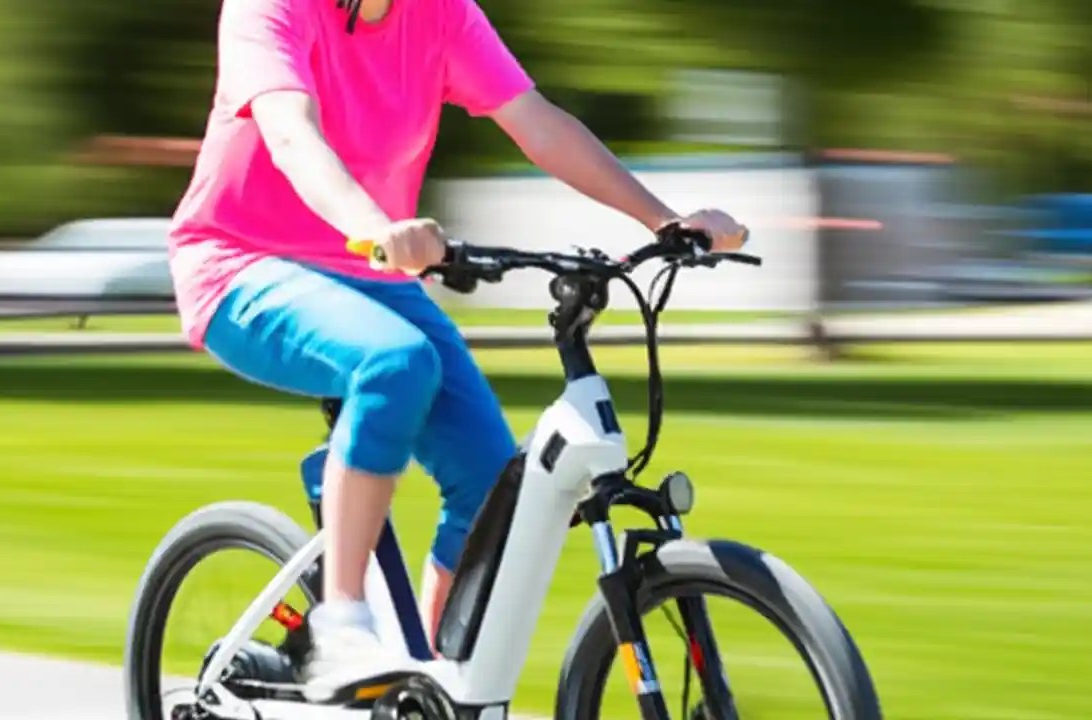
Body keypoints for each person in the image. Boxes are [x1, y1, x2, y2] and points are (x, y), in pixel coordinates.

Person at [168, 0, 749, 700]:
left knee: (492, 489)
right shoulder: (270, 8)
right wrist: (375, 227)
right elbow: (292, 133)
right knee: (395, 362)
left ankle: (435, 689)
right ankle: (340, 626)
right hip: (241, 263)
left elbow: (538, 123)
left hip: (375, 275)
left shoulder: (442, 14)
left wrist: (664, 221)